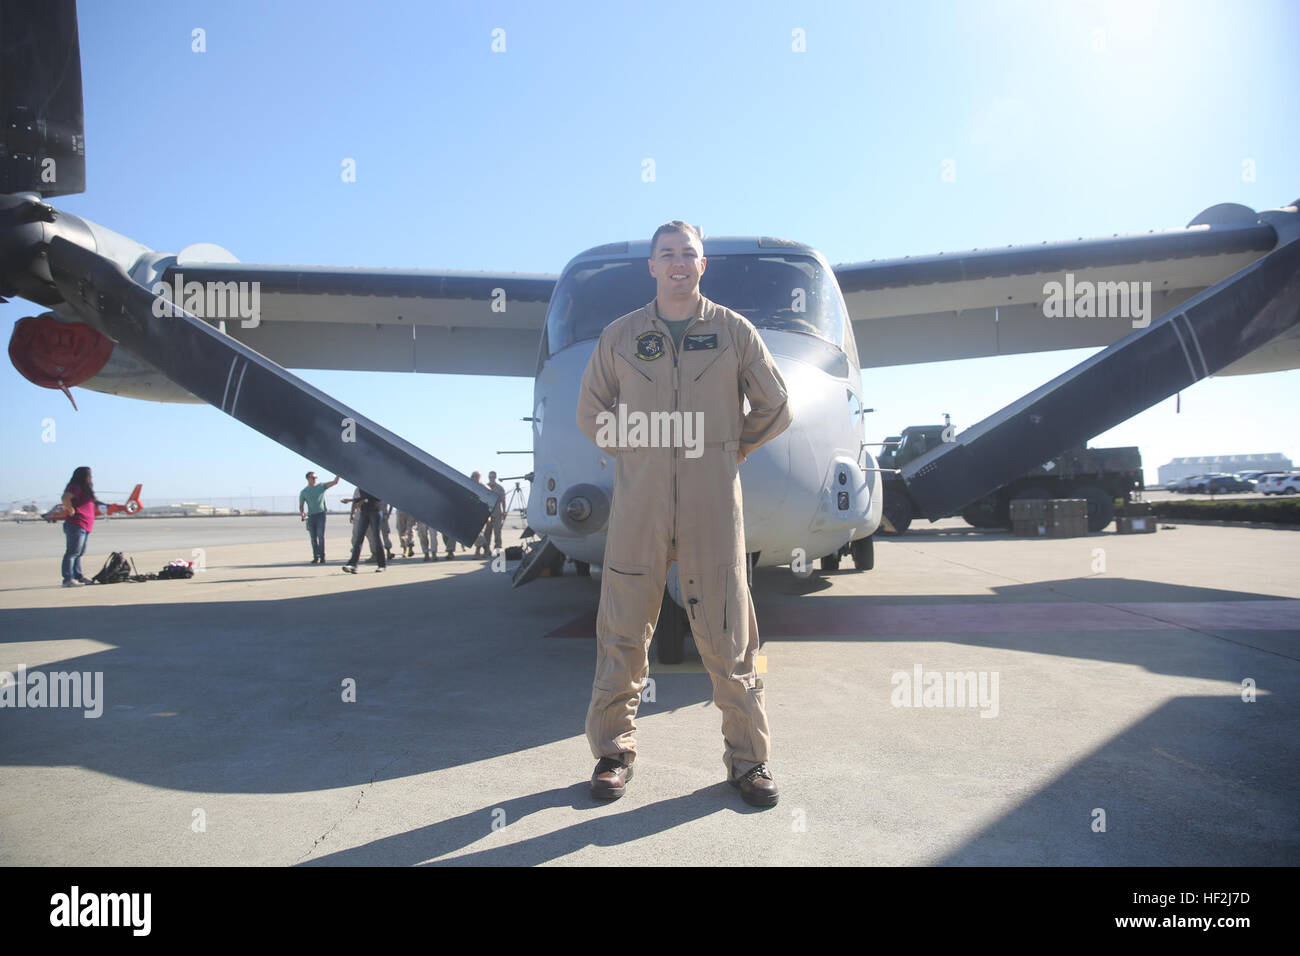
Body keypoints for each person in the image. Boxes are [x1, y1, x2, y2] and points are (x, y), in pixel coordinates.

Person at [576, 220, 792, 807]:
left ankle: (749, 762)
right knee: (622, 633)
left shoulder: (733, 331)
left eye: (688, 254)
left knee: (732, 640)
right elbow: (591, 410)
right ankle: (612, 754)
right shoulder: (620, 336)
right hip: (638, 509)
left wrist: (727, 449)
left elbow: (776, 405)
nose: (677, 263)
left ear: (703, 265)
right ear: (650, 266)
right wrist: (639, 448)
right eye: (666, 254)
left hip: (711, 508)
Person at [59, 466, 100, 587]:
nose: (90, 478)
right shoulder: (75, 486)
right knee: (72, 553)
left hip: (85, 525)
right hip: (76, 524)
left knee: (79, 553)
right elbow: (65, 497)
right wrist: (70, 509)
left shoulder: (85, 489)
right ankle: (68, 579)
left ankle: (78, 576)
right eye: (89, 475)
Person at [298, 471, 340, 564]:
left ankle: (322, 557)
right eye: (312, 477)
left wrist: (339, 473)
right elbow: (301, 505)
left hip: (321, 514)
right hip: (311, 516)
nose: (314, 479)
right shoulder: (304, 492)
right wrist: (302, 513)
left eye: (315, 477)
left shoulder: (321, 486)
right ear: (308, 479)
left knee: (321, 536)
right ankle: (315, 557)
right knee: (313, 538)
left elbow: (335, 482)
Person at [342, 489, 386, 573]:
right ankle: (352, 564)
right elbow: (360, 498)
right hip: (364, 512)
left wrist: (363, 501)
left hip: (375, 511)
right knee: (359, 538)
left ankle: (381, 565)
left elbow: (377, 497)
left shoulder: (374, 482)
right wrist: (351, 501)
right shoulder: (361, 486)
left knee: (376, 538)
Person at [485, 471, 507, 554]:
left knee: (497, 532)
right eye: (490, 477)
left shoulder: (499, 488)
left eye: (493, 477)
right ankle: (486, 549)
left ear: (495, 477)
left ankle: (498, 548)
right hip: (487, 513)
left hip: (497, 512)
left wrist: (504, 512)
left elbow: (503, 500)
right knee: (487, 532)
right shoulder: (485, 487)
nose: (492, 478)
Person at [469, 471, 489, 557]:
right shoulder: (469, 486)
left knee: (478, 532)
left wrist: (489, 515)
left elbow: (489, 502)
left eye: (475, 476)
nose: (473, 478)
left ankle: (477, 551)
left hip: (481, 513)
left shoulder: (484, 488)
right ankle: (486, 548)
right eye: (472, 476)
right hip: (471, 513)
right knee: (475, 532)